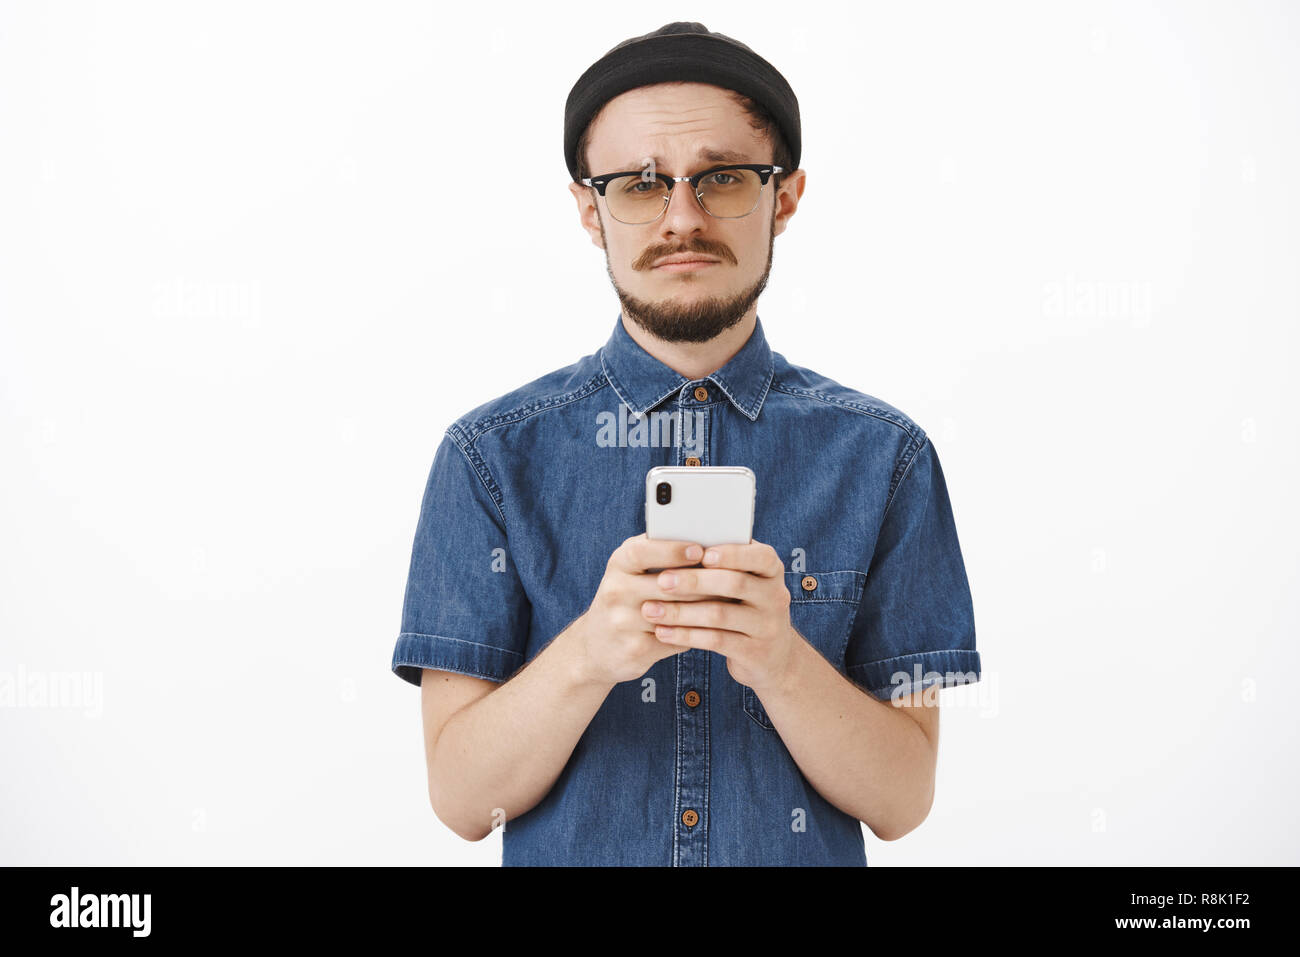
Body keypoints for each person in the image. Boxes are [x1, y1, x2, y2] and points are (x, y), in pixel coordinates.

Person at [390, 21, 981, 866]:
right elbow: (459, 797)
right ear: (589, 211)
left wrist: (781, 660)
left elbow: (904, 798)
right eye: (638, 185)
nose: (681, 218)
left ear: (785, 197)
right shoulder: (487, 458)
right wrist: (589, 654)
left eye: (723, 178)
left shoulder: (887, 458)